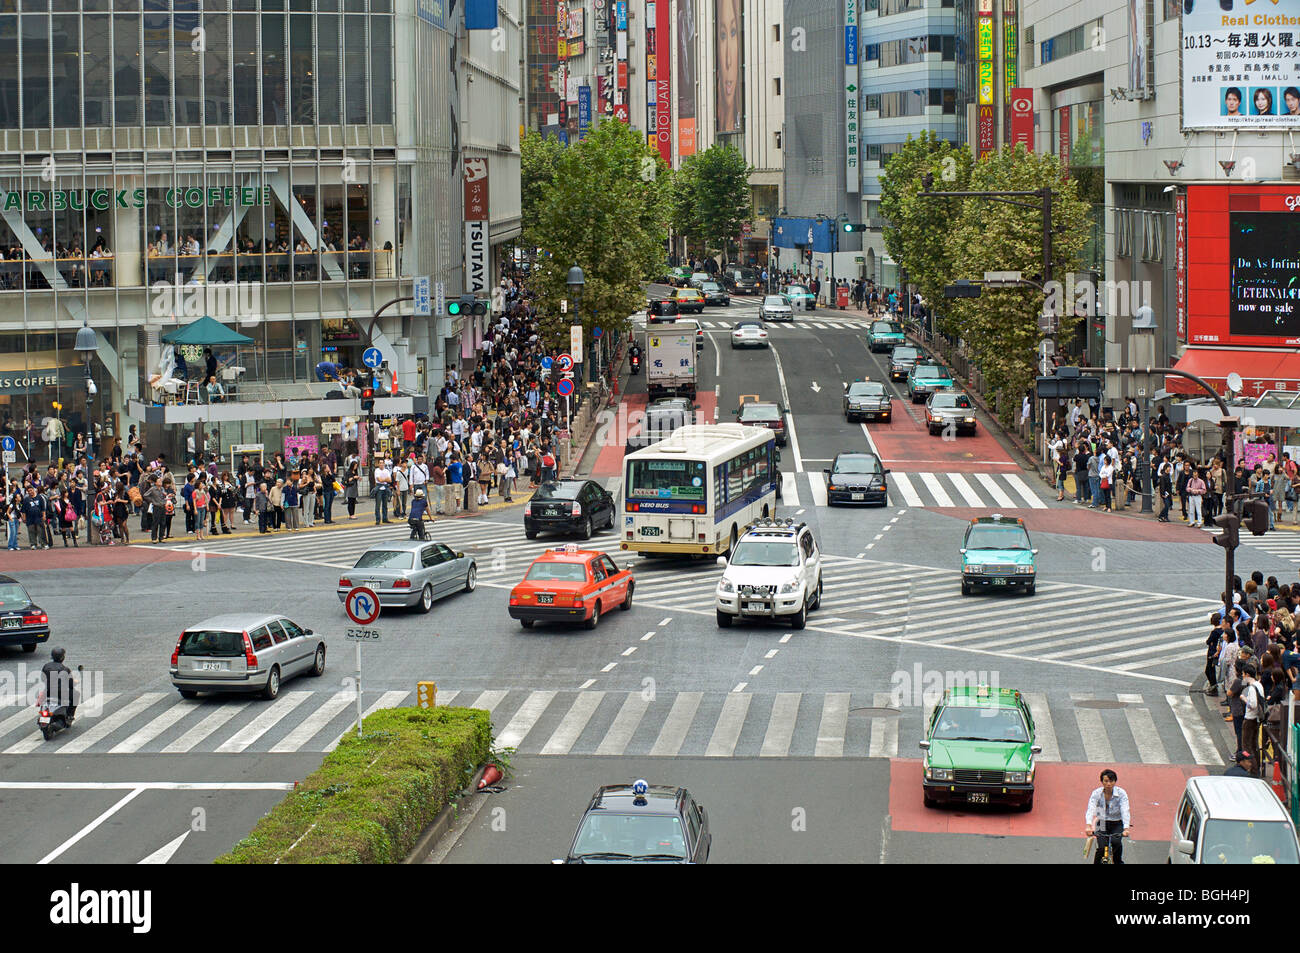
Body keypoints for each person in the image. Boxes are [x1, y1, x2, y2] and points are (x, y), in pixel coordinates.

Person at [1084, 769, 1131, 864]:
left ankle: (1118, 861)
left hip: (1117, 822)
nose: (1108, 784)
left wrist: (1126, 828)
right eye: (1106, 781)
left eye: (1111, 781)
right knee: (1101, 848)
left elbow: (1125, 810)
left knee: (1116, 843)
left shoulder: (1121, 793)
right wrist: (1088, 825)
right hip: (1101, 822)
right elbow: (1091, 808)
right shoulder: (1096, 793)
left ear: (1115, 781)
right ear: (1102, 782)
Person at [41, 646, 76, 718]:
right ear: (62, 657)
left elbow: (42, 678)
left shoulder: (46, 666)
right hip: (61, 693)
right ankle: (70, 715)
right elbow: (71, 684)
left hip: (48, 692)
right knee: (75, 695)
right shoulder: (65, 669)